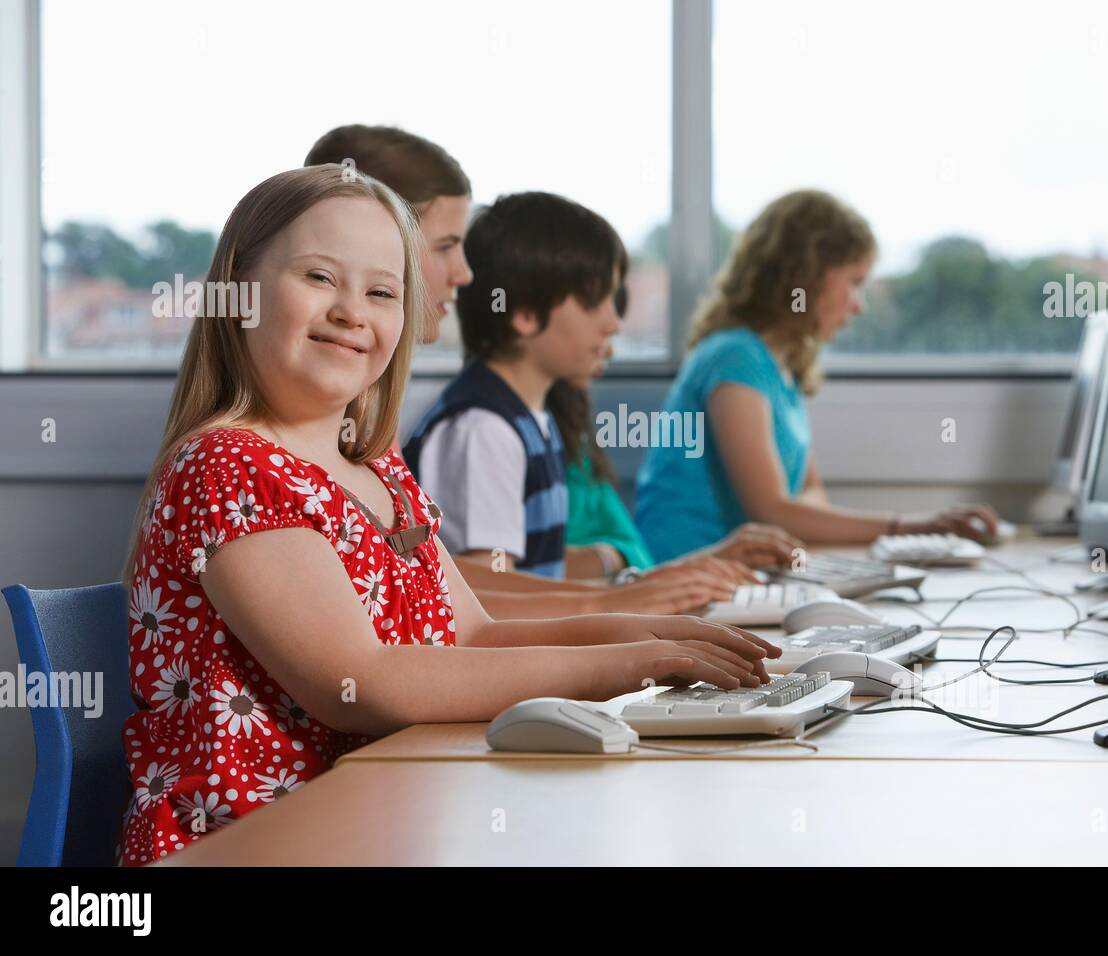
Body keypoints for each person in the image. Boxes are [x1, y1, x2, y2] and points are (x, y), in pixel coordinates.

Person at [119, 165, 776, 864]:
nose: (351, 310)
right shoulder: (228, 465)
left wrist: (651, 635)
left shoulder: (379, 469)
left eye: (381, 291)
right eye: (317, 278)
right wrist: (618, 668)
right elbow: (358, 682)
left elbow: (473, 637)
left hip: (386, 817)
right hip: (256, 841)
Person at [306, 125, 746, 615]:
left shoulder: (373, 427)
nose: (465, 274)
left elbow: (435, 574)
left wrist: (627, 593)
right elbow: (460, 598)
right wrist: (615, 604)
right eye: (447, 245)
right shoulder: (476, 425)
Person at [635, 189, 1001, 563]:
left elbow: (809, 495)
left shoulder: (780, 368)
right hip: (683, 573)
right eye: (854, 282)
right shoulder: (735, 357)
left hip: (741, 574)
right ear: (807, 276)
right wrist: (914, 527)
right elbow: (773, 510)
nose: (858, 305)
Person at [547, 288, 805, 576]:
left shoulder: (569, 429)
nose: (613, 333)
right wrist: (612, 558)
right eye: (593, 303)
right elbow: (523, 574)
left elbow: (636, 573)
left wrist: (709, 562)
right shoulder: (735, 357)